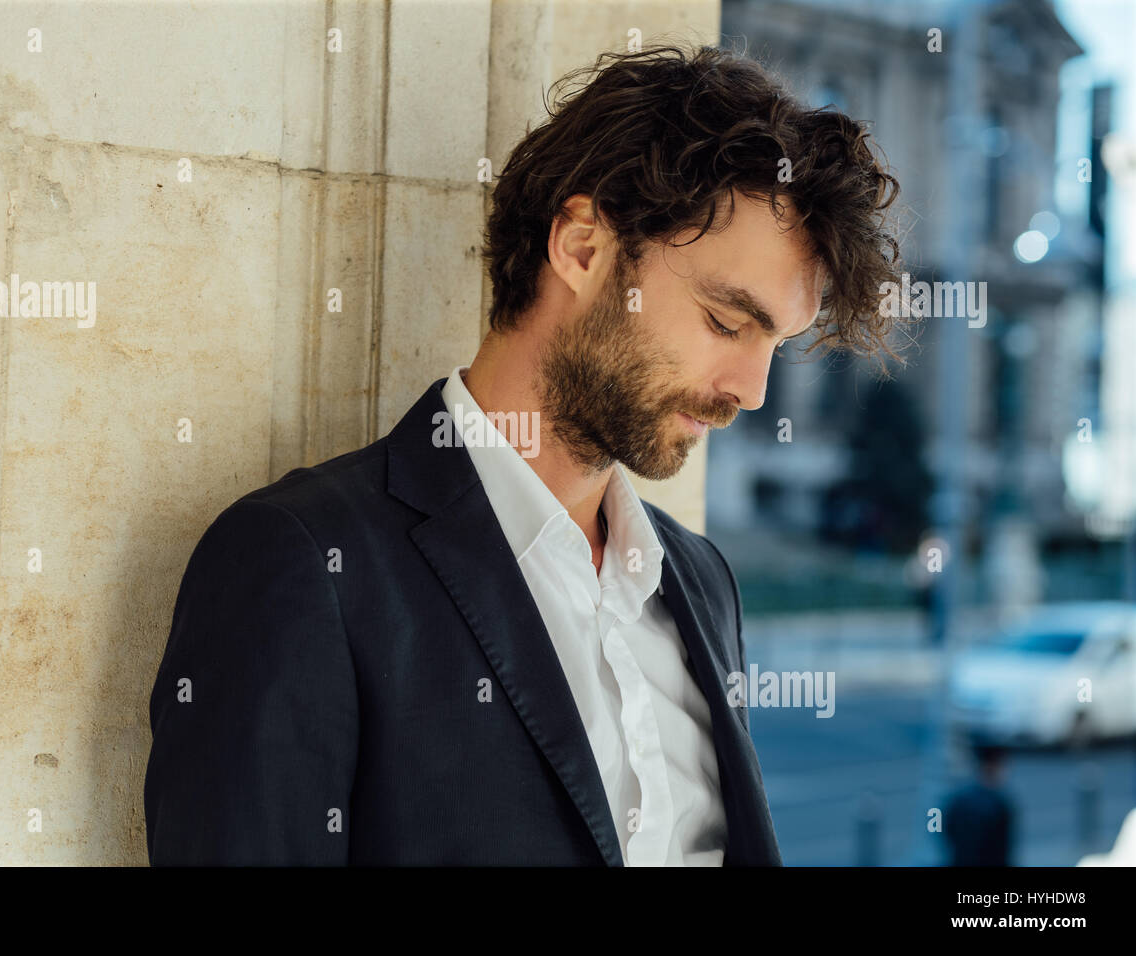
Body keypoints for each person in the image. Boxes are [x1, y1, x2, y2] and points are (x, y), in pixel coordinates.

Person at [144, 43, 906, 866]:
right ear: (582, 247)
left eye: (775, 344)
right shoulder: (302, 564)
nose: (752, 391)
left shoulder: (699, 581)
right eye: (726, 322)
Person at [943, 744, 1016, 866]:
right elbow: (1002, 849)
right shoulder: (999, 805)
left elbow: (947, 831)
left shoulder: (958, 799)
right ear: (996, 766)